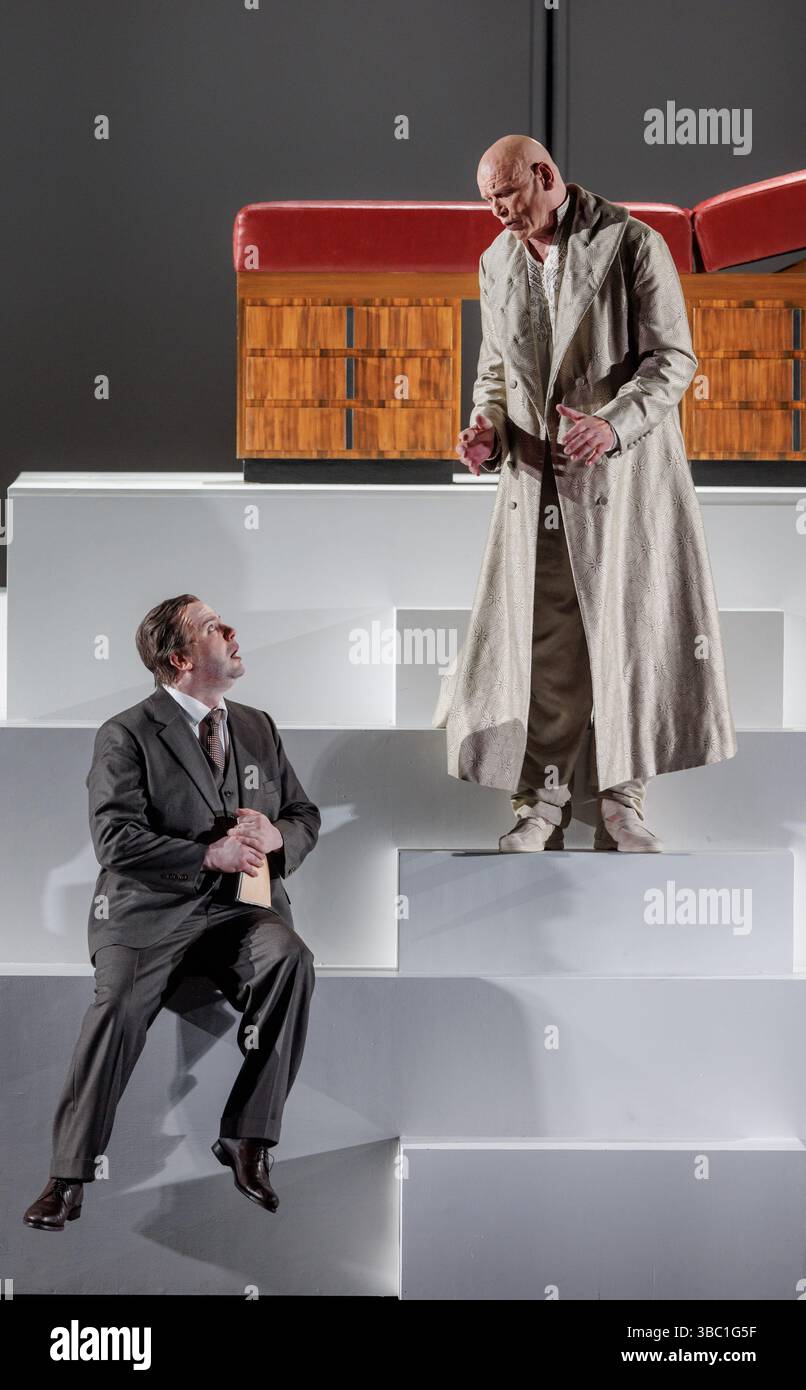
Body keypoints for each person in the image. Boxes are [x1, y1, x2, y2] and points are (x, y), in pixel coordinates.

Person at [436, 133, 736, 852]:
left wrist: (611, 426)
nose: (497, 213)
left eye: (505, 195)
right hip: (535, 485)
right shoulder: (496, 262)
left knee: (623, 637)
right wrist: (486, 432)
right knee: (543, 645)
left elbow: (674, 359)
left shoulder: (632, 242)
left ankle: (622, 801)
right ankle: (541, 804)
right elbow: (495, 373)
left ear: (545, 175)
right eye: (487, 201)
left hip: (621, 482)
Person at [23, 594, 319, 1230]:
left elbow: (303, 815)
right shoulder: (127, 733)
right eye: (214, 627)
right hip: (148, 911)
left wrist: (278, 840)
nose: (233, 630)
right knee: (117, 1009)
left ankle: (248, 1137)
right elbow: (115, 839)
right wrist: (206, 854)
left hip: (240, 913)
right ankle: (67, 1176)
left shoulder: (257, 726)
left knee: (292, 959)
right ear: (181, 658)